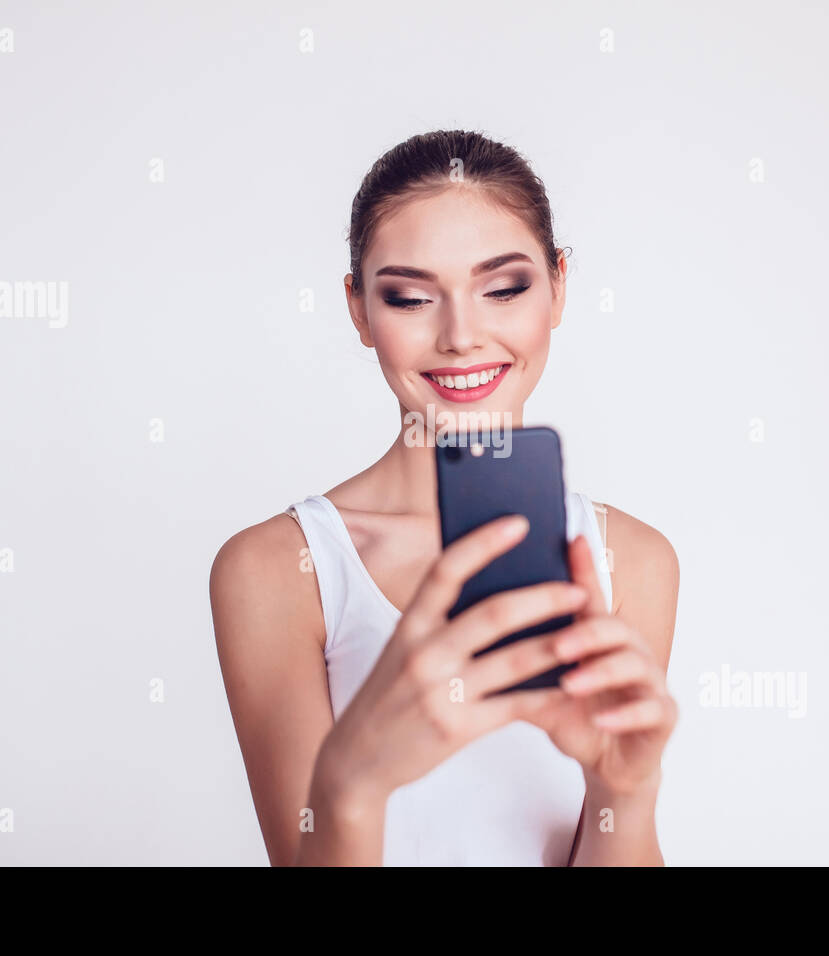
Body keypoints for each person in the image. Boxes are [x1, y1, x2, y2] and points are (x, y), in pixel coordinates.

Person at [210, 129, 680, 865]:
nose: (462, 336)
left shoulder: (633, 560)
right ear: (359, 311)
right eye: (408, 297)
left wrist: (624, 790)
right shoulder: (279, 567)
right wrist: (353, 780)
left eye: (502, 288)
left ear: (558, 287)